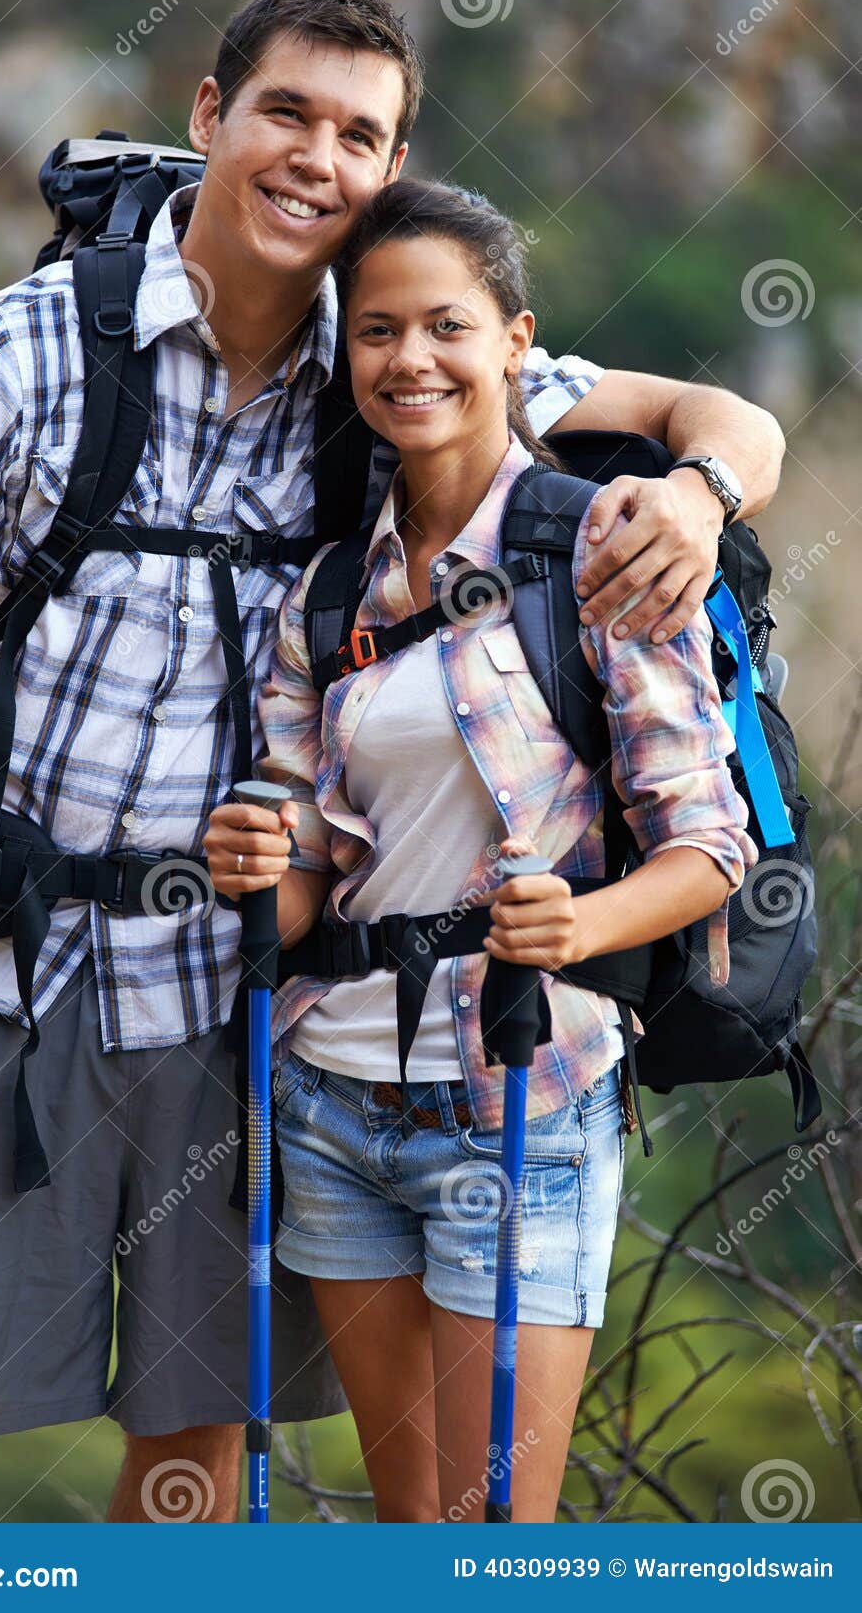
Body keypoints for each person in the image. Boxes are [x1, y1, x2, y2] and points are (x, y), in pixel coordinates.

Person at [0, 0, 779, 1524]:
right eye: (285, 113)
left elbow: (722, 414)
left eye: (359, 133)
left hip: (244, 994)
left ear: (390, 166)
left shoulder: (400, 353)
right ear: (211, 117)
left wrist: (697, 498)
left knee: (195, 1454)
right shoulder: (21, 354)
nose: (316, 158)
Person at [204, 176, 758, 1523]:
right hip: (333, 1102)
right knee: (413, 1537)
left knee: (492, 1539)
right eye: (378, 331)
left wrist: (583, 923)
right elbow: (306, 885)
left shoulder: (605, 549)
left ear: (516, 342)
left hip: (528, 1092)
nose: (411, 360)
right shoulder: (328, 593)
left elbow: (713, 842)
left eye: (446, 326)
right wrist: (248, 865)